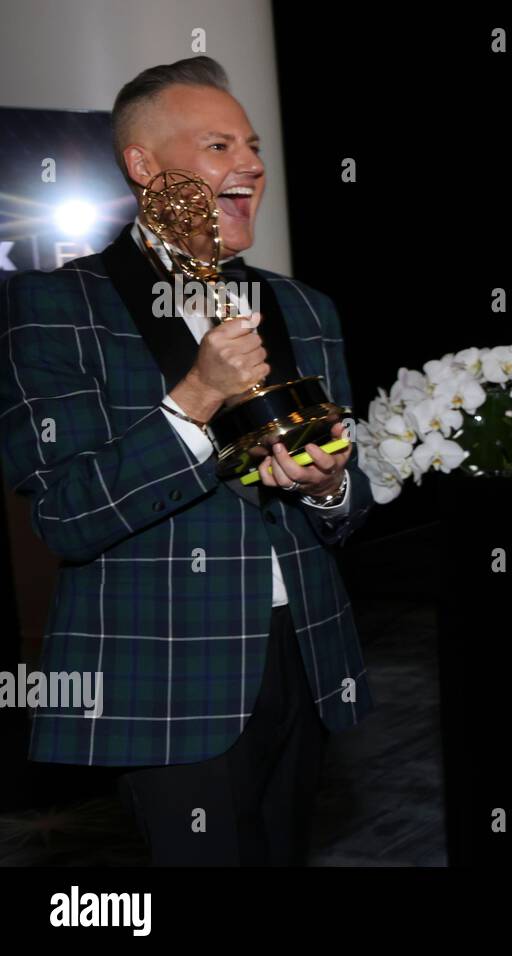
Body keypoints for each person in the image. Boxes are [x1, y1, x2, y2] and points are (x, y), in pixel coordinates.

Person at [0, 56, 374, 864]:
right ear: (144, 166)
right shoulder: (57, 307)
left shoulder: (304, 306)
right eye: (217, 146)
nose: (250, 165)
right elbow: (65, 515)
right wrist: (195, 400)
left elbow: (352, 496)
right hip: (166, 674)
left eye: (253, 146)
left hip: (308, 658)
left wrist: (331, 486)